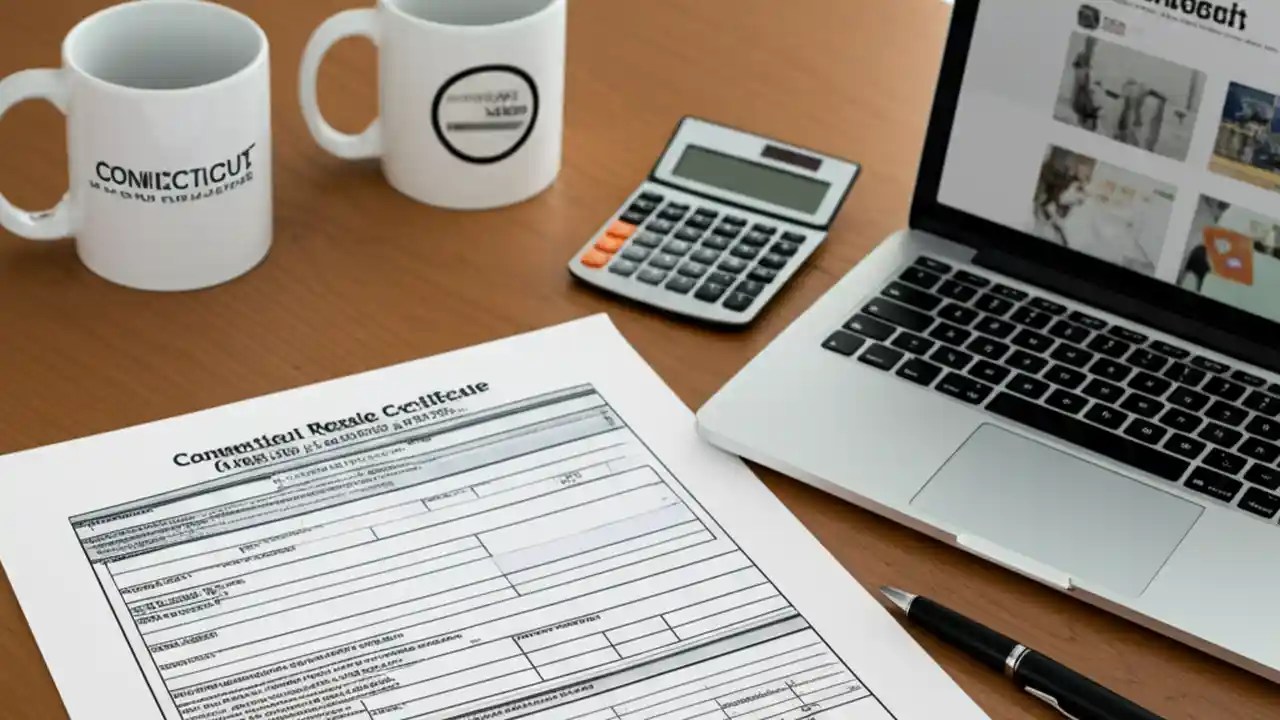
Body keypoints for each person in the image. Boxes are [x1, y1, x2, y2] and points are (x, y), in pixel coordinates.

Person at [1071, 38, 1100, 130]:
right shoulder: (1082, 109)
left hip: (1082, 75)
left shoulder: (1079, 108)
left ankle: (1091, 40)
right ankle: (1091, 41)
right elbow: (1084, 91)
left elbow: (1082, 90)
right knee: (1088, 54)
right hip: (1082, 74)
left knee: (1088, 54)